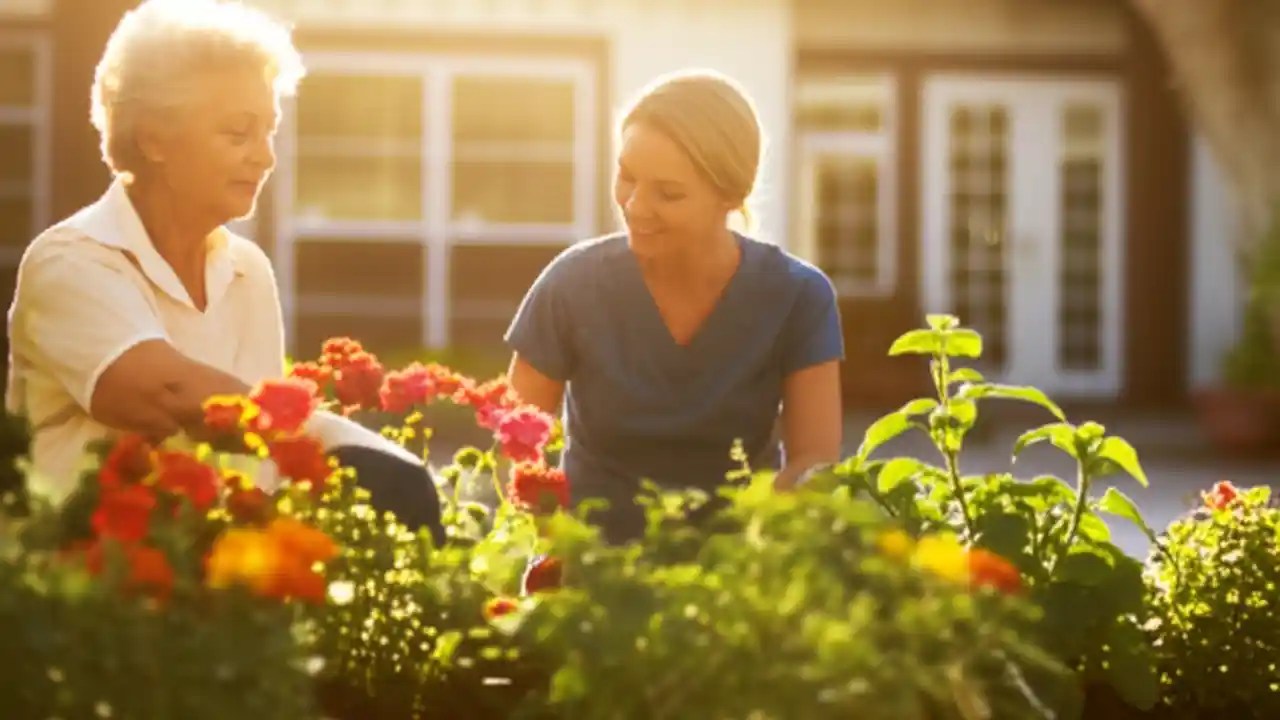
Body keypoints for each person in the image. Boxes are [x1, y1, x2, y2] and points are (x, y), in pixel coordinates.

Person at [4, 0, 443, 544]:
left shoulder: (247, 272)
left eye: (268, 132)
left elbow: (259, 464)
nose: (265, 158)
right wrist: (332, 438)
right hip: (86, 597)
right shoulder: (71, 261)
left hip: (216, 593)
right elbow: (161, 392)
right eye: (238, 133)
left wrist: (392, 467)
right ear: (153, 139)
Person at [504, 69, 845, 544]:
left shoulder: (799, 297)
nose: (636, 206)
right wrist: (555, 540)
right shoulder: (572, 286)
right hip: (589, 572)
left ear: (730, 196)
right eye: (626, 176)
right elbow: (517, 442)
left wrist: (764, 551)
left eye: (668, 193)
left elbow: (814, 461)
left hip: (734, 573)